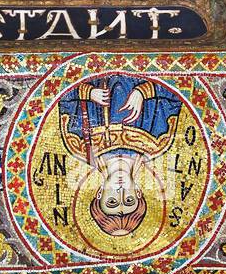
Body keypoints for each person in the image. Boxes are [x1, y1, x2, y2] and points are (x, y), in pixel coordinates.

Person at [56, 76, 182, 237]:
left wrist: (88, 93)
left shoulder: (79, 145)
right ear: (138, 192)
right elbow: (177, 94)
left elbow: (60, 96)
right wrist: (144, 91)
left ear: (99, 193)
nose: (120, 191)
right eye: (129, 200)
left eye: (112, 201)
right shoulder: (158, 141)